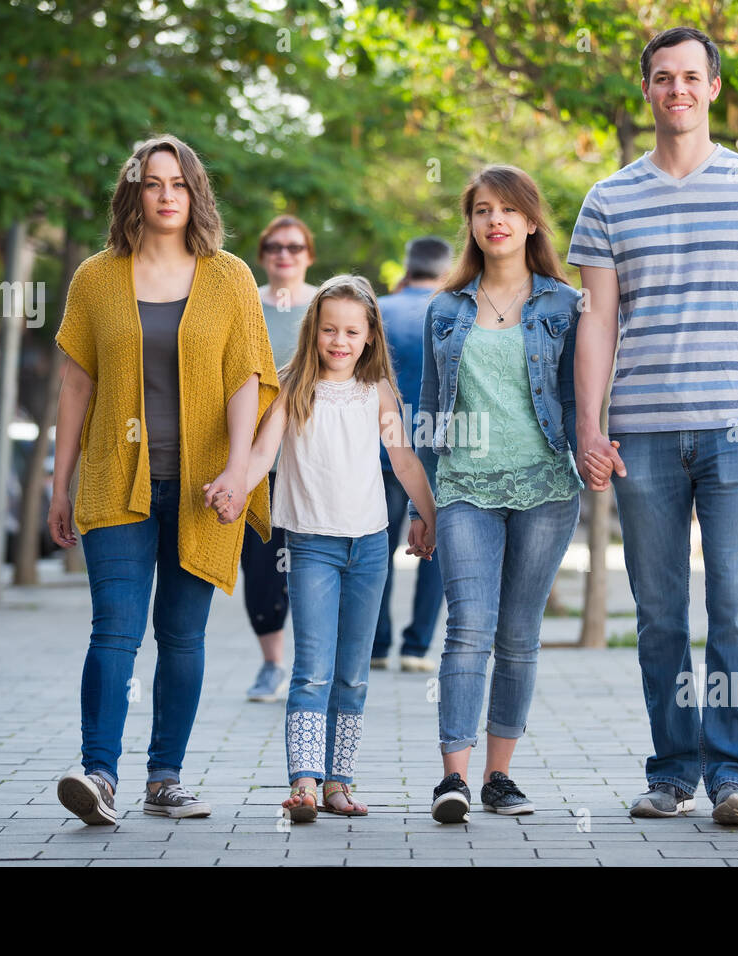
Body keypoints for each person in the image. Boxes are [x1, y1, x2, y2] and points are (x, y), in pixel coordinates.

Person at [571, 26, 738, 827]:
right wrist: (588, 424)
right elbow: (598, 319)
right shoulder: (609, 198)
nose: (677, 89)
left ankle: (736, 774)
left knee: (737, 608)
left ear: (712, 89)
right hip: (641, 435)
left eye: (691, 77)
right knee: (663, 614)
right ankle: (673, 770)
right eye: (662, 78)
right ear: (646, 90)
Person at [50, 135, 279, 826]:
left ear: (195, 192)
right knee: (114, 630)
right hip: (118, 481)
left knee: (183, 635)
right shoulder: (96, 277)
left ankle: (166, 777)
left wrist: (240, 470)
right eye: (153, 183)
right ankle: (98, 773)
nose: (167, 194)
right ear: (135, 193)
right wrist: (60, 484)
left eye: (179, 182)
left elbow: (248, 379)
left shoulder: (229, 276)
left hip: (206, 487)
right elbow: (74, 385)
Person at [225, 276, 437, 822]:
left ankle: (339, 782)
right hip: (312, 544)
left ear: (369, 336)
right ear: (312, 331)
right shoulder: (291, 384)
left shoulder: (379, 392)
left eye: (351, 331)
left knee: (353, 672)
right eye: (328, 330)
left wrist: (428, 514)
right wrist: (233, 486)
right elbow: (260, 456)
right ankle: (303, 783)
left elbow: (405, 461)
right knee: (313, 669)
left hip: (368, 546)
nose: (339, 341)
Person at [417, 166, 586, 824]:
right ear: (472, 225)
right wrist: (421, 507)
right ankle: (452, 780)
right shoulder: (444, 309)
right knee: (468, 630)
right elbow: (430, 412)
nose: (496, 221)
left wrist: (594, 449)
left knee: (518, 635)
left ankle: (499, 777)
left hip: (545, 485)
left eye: (509, 210)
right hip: (465, 487)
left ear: (531, 222)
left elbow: (576, 398)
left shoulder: (563, 305)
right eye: (483, 210)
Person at [243, 215, 319, 702]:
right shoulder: (245, 304)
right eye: (274, 245)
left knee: (315, 563)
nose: (284, 254)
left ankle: (314, 668)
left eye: (294, 246)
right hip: (257, 461)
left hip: (315, 458)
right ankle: (273, 664)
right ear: (263, 253)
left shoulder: (324, 306)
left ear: (308, 254)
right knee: (262, 568)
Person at [372, 237, 453, 673]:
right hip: (437, 449)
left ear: (406, 266)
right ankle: (417, 648)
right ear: (445, 270)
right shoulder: (454, 310)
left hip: (381, 448)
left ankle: (377, 645)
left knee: (376, 549)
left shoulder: (377, 311)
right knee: (435, 546)